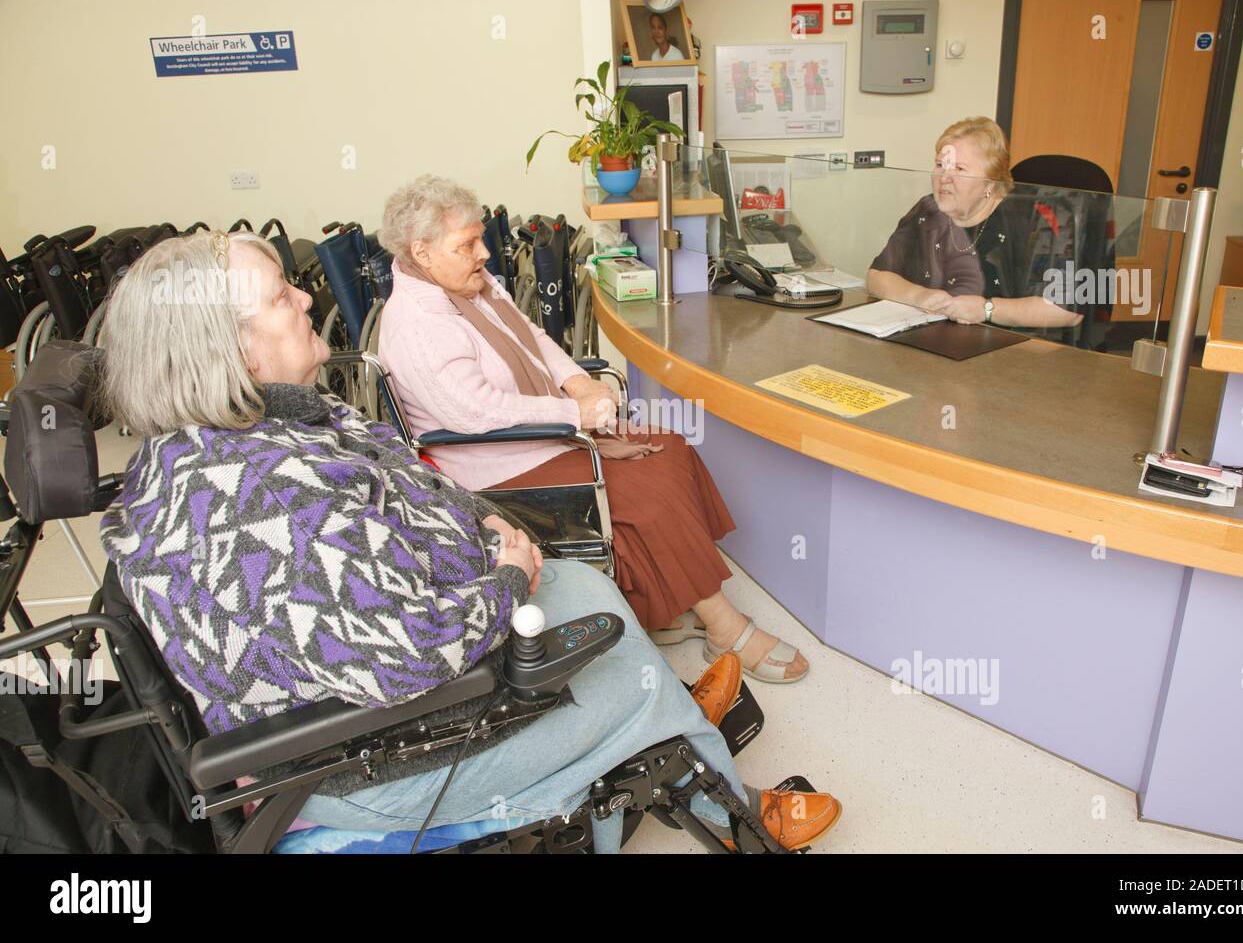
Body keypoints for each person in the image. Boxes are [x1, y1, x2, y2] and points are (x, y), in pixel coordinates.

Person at [95, 231, 841, 852]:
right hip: (367, 761)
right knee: (614, 659)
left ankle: (675, 716)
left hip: (400, 653)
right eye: (278, 298)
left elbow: (389, 499)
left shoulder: (253, 430)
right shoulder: (263, 498)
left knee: (586, 593)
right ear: (227, 350)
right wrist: (507, 580)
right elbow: (407, 656)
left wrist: (477, 524)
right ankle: (724, 801)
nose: (304, 298)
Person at [377, 176, 810, 685]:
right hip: (499, 461)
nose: (485, 255)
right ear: (421, 253)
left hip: (540, 433)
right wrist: (576, 417)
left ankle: (671, 599)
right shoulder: (418, 326)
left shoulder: (469, 284)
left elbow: (535, 338)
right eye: (467, 245)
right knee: (648, 495)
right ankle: (724, 625)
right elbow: (476, 414)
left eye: (479, 239)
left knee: (667, 448)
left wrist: (579, 384)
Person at [868, 116, 1083, 329]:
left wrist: (987, 309)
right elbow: (877, 276)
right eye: (940, 165)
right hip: (940, 340)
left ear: (991, 181)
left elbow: (1069, 310)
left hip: (1018, 349)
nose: (944, 177)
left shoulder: (1034, 219)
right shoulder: (929, 210)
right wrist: (919, 296)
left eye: (959, 169)